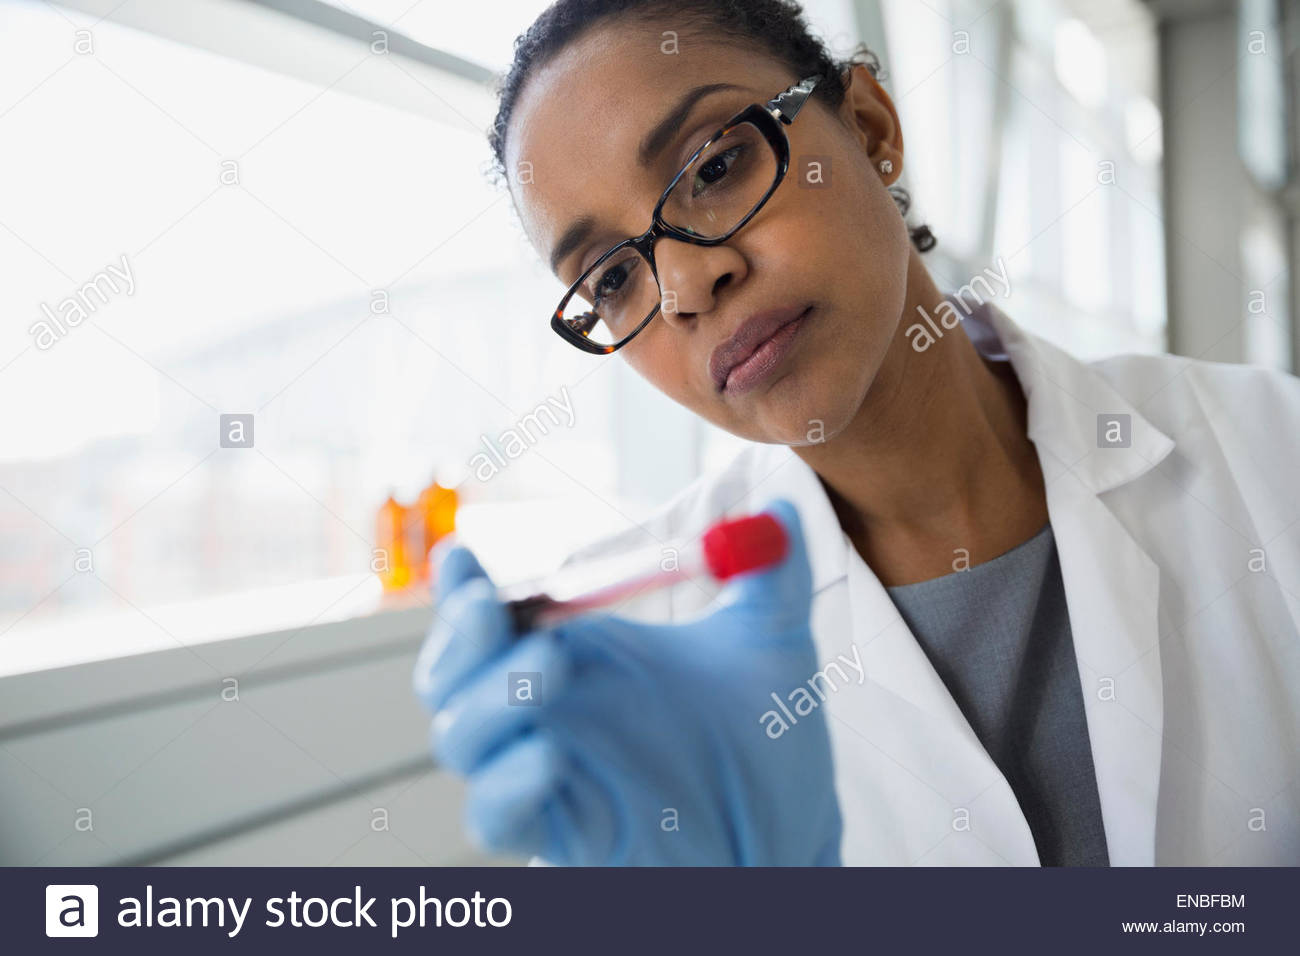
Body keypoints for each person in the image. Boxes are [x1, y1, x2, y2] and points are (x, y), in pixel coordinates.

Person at [413, 0, 1300, 866]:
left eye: (714, 167)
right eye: (611, 280)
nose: (685, 284)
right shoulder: (649, 667)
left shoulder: (1268, 449)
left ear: (871, 129)